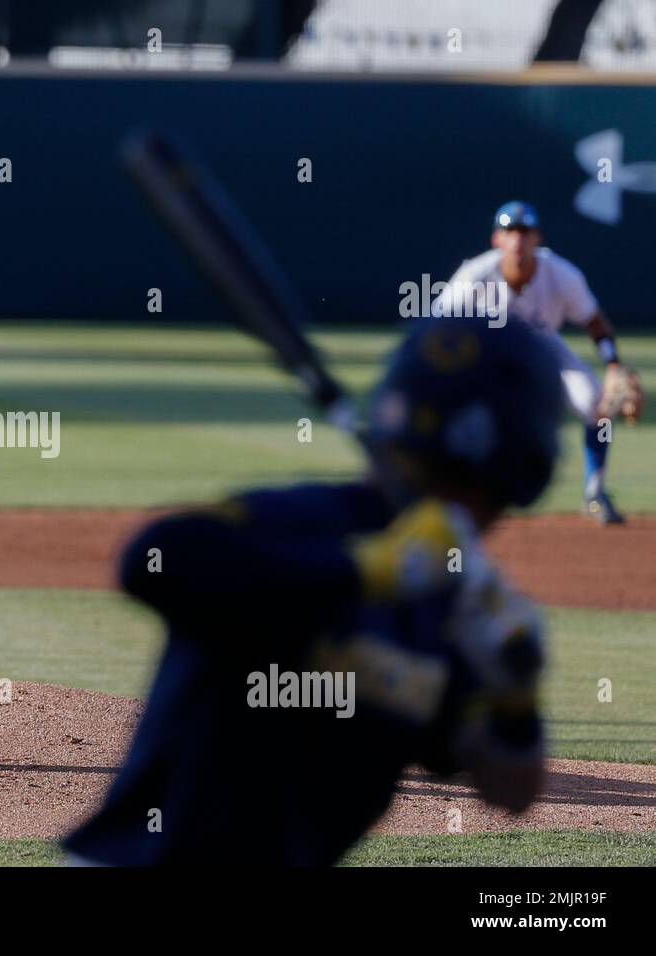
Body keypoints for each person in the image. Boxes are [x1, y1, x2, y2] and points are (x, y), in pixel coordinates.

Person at [64, 316, 562, 866]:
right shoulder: (304, 521)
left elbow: (509, 790)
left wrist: (517, 694)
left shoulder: (449, 601)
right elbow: (152, 560)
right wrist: (369, 570)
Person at [432, 201, 640, 524]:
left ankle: (595, 493)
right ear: (496, 240)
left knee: (595, 403)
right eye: (509, 231)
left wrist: (613, 364)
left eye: (524, 231)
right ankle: (449, 493)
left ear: (537, 237)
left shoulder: (561, 274)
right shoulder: (474, 275)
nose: (517, 239)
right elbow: (434, 327)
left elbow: (595, 322)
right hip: (488, 354)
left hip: (544, 348)